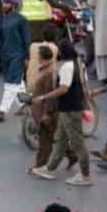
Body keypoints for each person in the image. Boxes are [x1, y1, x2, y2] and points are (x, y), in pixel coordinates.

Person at [30, 41, 94, 186]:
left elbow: (63, 88)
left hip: (69, 109)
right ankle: (50, 168)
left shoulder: (67, 66)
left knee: (78, 143)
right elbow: (84, 84)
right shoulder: (79, 64)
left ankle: (85, 176)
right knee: (61, 139)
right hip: (72, 108)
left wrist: (43, 97)